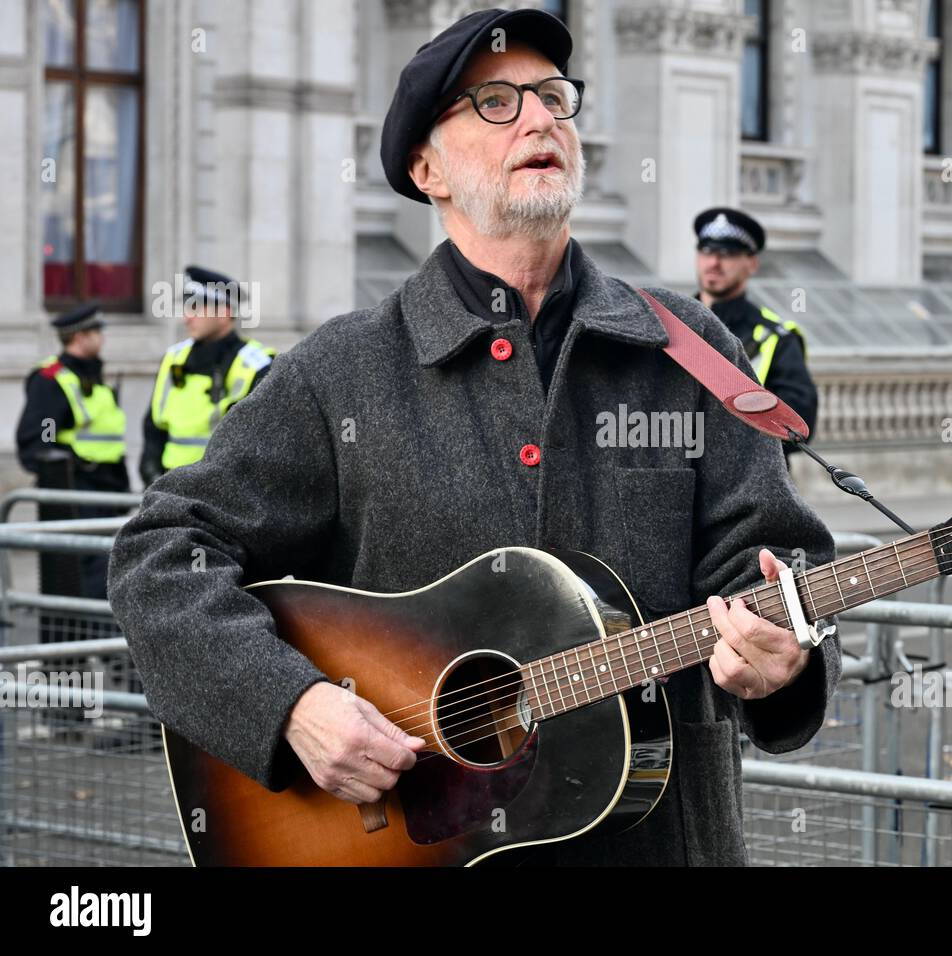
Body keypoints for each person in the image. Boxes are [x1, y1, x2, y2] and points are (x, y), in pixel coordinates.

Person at [108, 6, 841, 866]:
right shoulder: (342, 370)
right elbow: (160, 551)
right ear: (428, 167)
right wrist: (291, 705)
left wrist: (783, 662)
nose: (540, 119)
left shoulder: (691, 353)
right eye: (496, 102)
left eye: (554, 98)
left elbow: (770, 567)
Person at [15, 302, 129, 599]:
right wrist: (68, 464)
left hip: (105, 489)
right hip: (74, 489)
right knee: (85, 569)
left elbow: (107, 439)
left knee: (105, 564)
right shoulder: (53, 379)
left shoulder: (93, 375)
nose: (102, 338)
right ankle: (86, 637)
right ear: (80, 337)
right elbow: (43, 436)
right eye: (97, 332)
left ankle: (94, 635)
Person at [694, 207, 818, 465]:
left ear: (752, 263)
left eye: (727, 254)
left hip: (748, 482)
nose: (714, 262)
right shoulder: (670, 324)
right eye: (707, 251)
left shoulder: (778, 337)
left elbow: (798, 422)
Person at [139, 266, 276, 486]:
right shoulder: (175, 357)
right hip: (170, 485)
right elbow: (154, 428)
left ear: (224, 312)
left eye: (196, 308)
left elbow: (259, 442)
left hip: (225, 491)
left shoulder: (257, 364)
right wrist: (152, 475)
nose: (187, 318)